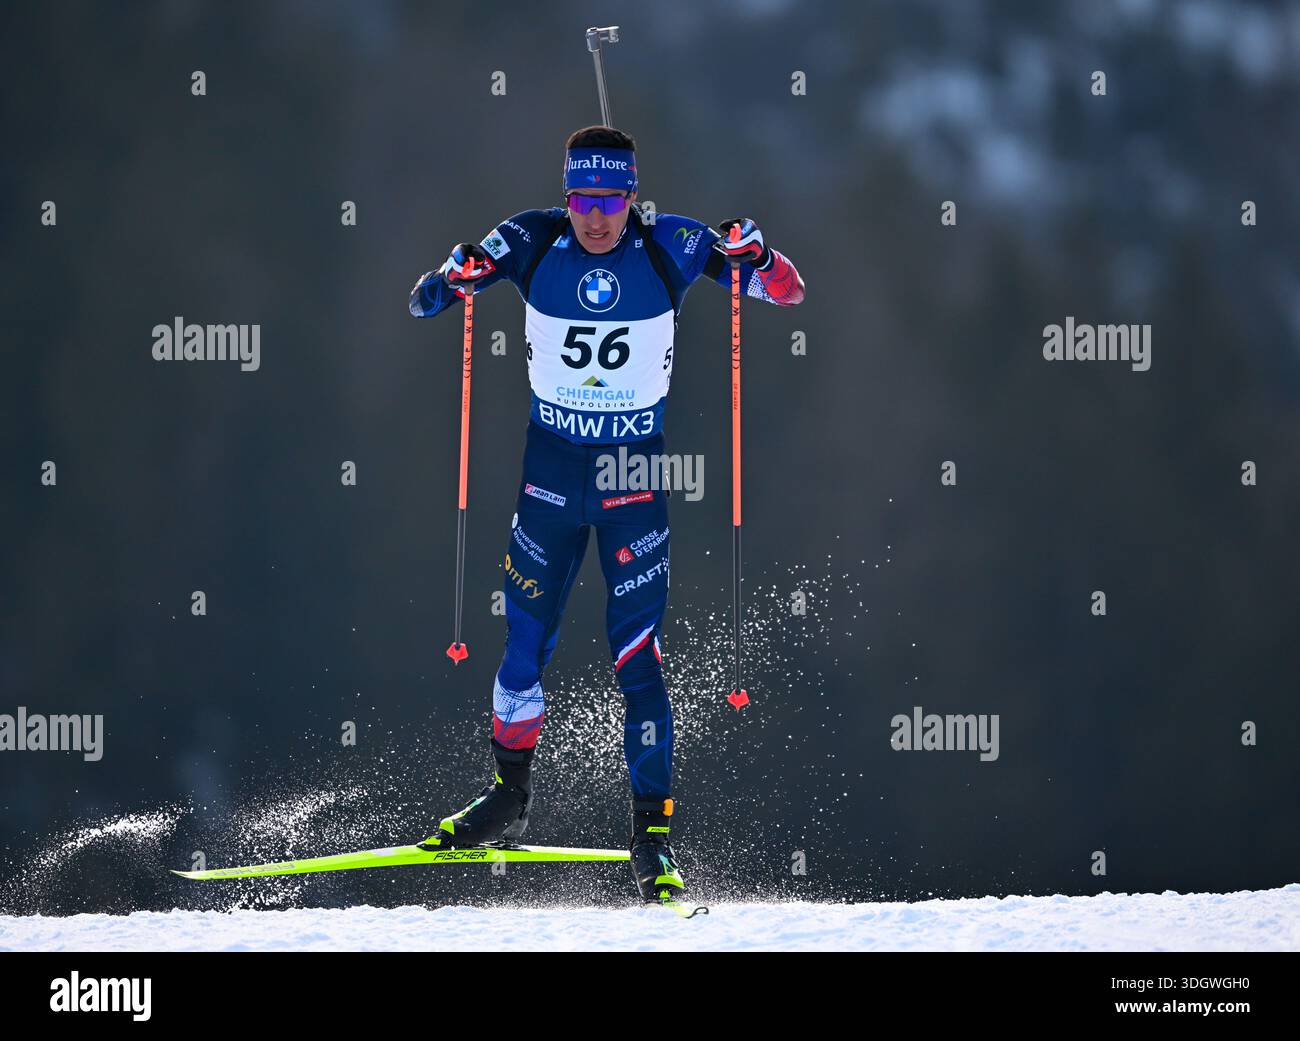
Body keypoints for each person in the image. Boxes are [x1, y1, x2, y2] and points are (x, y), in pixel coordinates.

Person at [407, 125, 805, 903]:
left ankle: (652, 839)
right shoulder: (530, 240)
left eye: (610, 200)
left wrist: (759, 256)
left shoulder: (673, 248)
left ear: (631, 197)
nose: (595, 217)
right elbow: (425, 301)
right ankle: (508, 795)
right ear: (567, 196)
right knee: (523, 645)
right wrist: (450, 277)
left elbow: (789, 290)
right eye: (582, 199)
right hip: (550, 477)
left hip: (632, 483)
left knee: (638, 658)